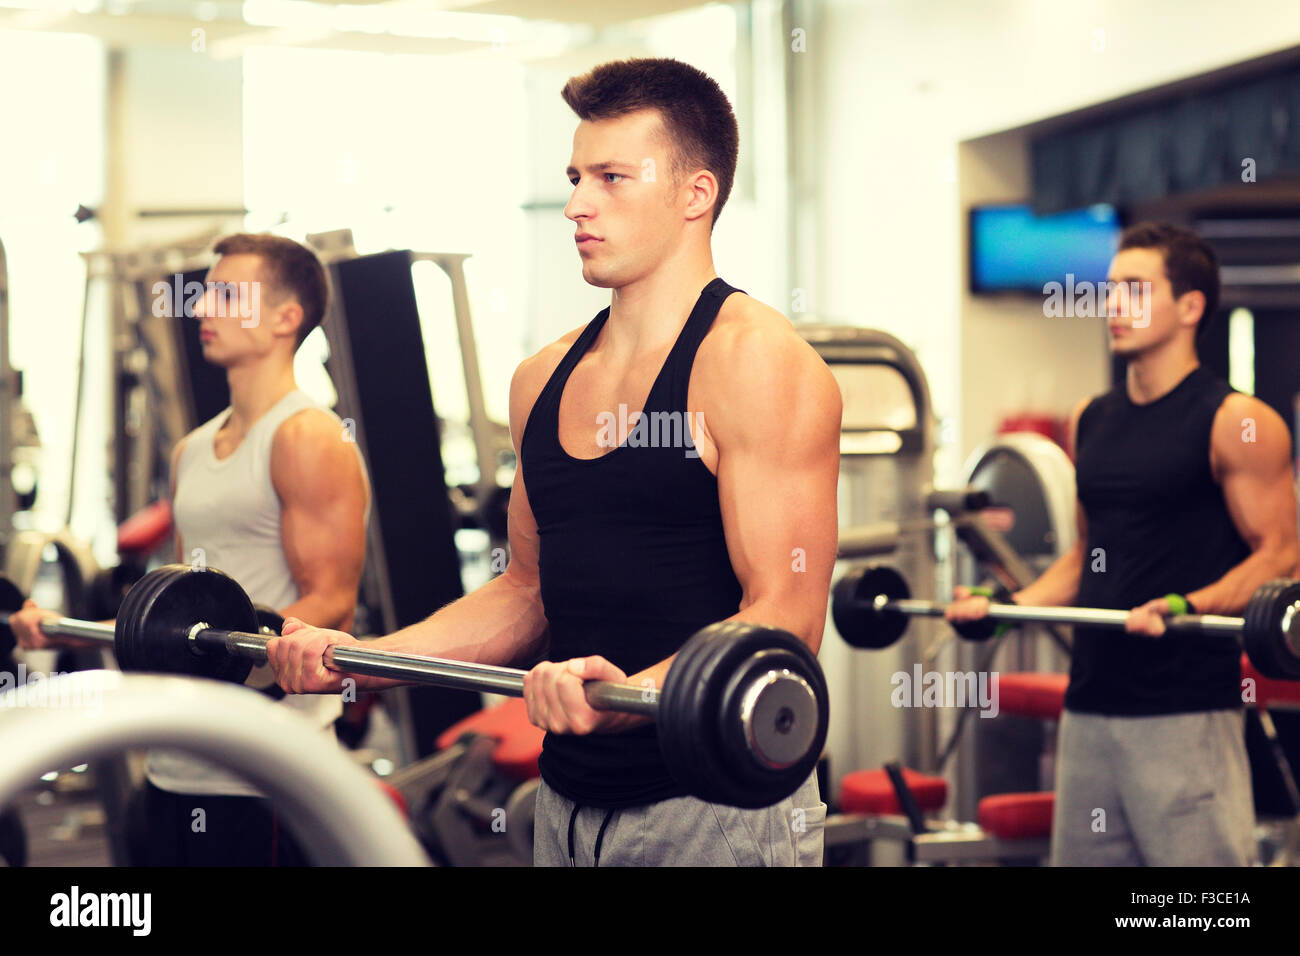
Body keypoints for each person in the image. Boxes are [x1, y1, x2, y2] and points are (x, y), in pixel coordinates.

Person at [266, 58, 841, 866]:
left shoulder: (757, 362)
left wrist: (624, 698)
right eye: (576, 177)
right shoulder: (543, 378)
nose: (576, 204)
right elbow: (524, 592)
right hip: (568, 802)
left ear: (695, 194)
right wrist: (363, 661)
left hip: (714, 809)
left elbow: (785, 615)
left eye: (611, 177)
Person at [10, 233, 369, 866]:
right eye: (205, 295)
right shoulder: (192, 450)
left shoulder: (308, 436)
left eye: (228, 295)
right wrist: (69, 630)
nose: (202, 310)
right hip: (177, 756)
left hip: (265, 769)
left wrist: (249, 651)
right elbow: (173, 615)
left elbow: (332, 608)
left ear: (287, 317)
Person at [947, 221, 1300, 866]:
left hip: (1184, 713)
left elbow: (1281, 553)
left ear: (1190, 306)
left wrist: (1188, 605)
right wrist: (1005, 609)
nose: (1113, 305)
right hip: (1090, 707)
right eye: (1110, 291)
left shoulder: (1237, 422)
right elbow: (1087, 556)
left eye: (1135, 290)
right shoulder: (1093, 419)